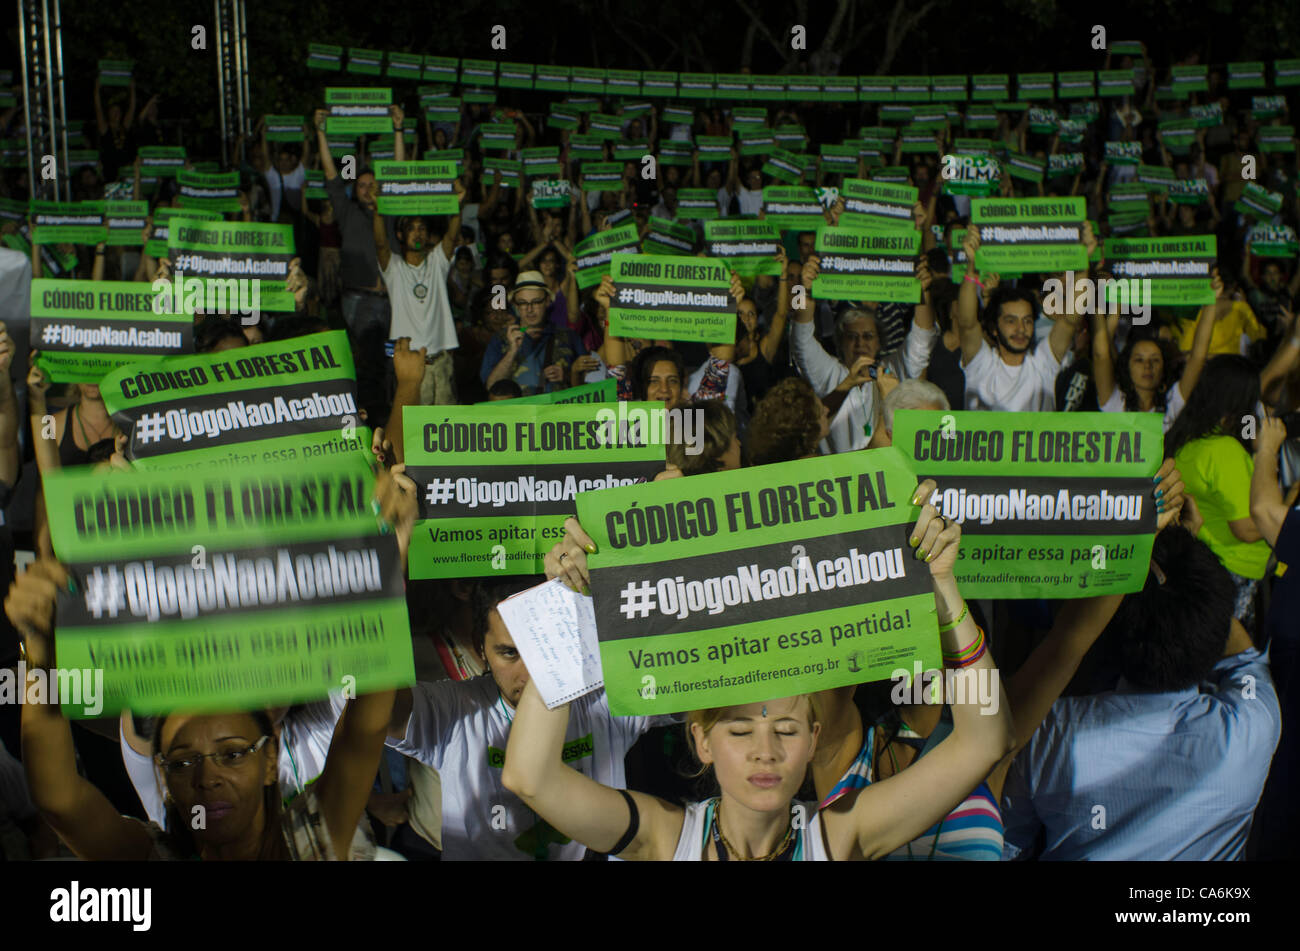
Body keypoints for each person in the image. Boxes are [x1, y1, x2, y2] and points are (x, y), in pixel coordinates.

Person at [517, 483, 1014, 861]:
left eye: (786, 729)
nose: (766, 751)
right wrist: (568, 604)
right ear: (702, 742)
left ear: (813, 740)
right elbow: (529, 776)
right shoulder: (666, 837)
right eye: (739, 729)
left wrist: (943, 587)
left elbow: (985, 741)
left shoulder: (840, 835)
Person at [6, 559, 396, 861]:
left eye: (232, 753)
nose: (208, 778)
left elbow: (365, 727)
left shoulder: (308, 842)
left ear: (270, 754)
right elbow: (58, 798)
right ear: (161, 775)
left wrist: (383, 559)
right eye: (183, 762)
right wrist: (38, 650)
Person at [1001, 526, 1280, 860]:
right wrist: (1194, 570)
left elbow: (1004, 840)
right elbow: (1243, 658)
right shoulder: (1252, 725)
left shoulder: (1048, 732)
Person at [384, 576, 670, 860]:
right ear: (480, 647)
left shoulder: (604, 699)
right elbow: (372, 712)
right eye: (510, 654)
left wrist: (606, 573)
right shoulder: (456, 711)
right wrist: (387, 561)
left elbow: (703, 682)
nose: (532, 675)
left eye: (549, 651)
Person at [791, 256, 938, 452]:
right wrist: (803, 290)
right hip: (836, 478)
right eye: (852, 336)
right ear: (841, 341)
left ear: (879, 342)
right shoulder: (829, 372)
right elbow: (799, 337)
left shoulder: (891, 370)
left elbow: (923, 338)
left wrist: (924, 293)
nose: (860, 343)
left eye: (868, 336)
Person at [1168, 355, 1272, 628]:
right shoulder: (1224, 452)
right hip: (1232, 571)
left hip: (1206, 566)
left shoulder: (1188, 440)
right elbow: (1248, 528)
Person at [955, 226, 1089, 412]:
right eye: (1011, 320)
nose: (1021, 328)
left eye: (1027, 321)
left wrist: (1082, 263)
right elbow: (967, 323)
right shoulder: (981, 364)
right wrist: (971, 268)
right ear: (994, 327)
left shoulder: (1043, 365)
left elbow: (1070, 320)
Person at [373, 183, 468, 405]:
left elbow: (452, 238)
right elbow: (380, 244)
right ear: (400, 234)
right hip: (412, 366)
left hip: (441, 361)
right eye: (411, 228)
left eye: (422, 228)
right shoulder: (394, 268)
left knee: (447, 426)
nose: (418, 233)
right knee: (416, 428)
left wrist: (458, 205)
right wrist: (377, 212)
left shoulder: (437, 262)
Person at [1092, 270, 1218, 433]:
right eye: (1139, 359)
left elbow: (1198, 357)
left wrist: (1212, 300)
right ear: (1126, 367)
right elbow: (1101, 354)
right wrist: (1102, 296)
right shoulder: (1115, 402)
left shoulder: (1171, 404)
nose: (1148, 366)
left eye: (1155, 360)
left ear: (1164, 367)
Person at [481, 270, 586, 396]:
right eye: (523, 303)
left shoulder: (569, 336)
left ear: (547, 301)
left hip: (557, 413)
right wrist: (512, 351)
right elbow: (491, 386)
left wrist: (569, 375)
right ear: (515, 305)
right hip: (519, 414)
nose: (529, 309)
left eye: (536, 302)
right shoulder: (501, 339)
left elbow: (592, 383)